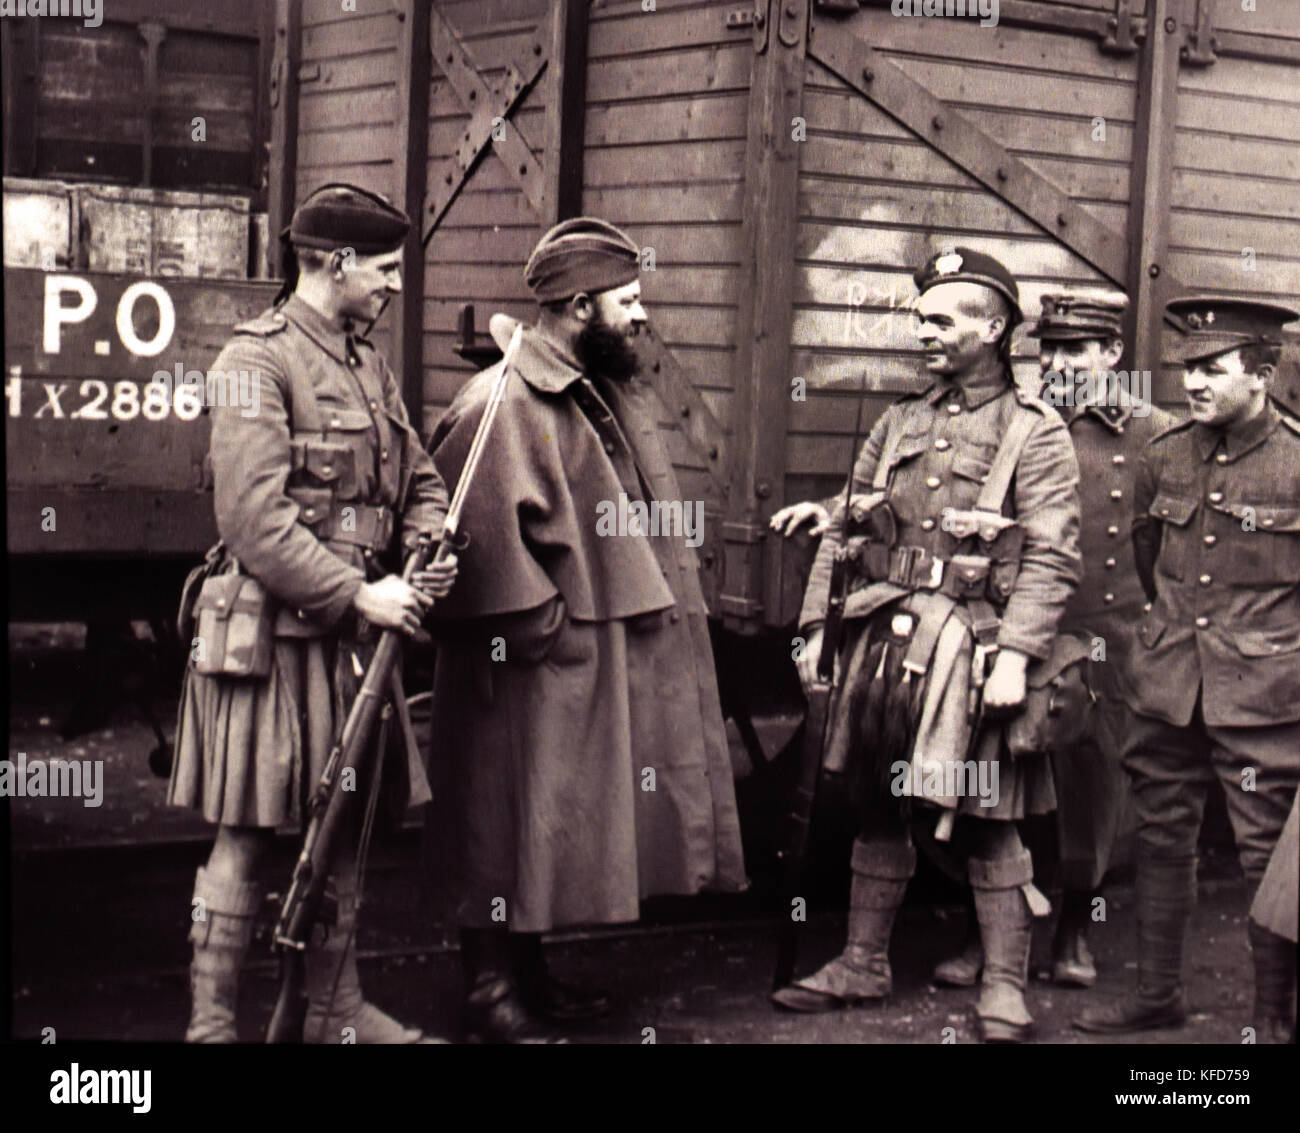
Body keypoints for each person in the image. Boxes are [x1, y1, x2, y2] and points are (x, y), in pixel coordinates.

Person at [425, 217, 747, 1043]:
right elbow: (471, 544)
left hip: (559, 657)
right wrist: (547, 631)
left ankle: (526, 973)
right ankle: (489, 989)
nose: (640, 317)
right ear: (576, 307)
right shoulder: (499, 400)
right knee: (498, 814)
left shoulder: (579, 386)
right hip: (520, 660)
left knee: (543, 819)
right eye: (627, 301)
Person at [770, 247, 1082, 1044]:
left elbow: (1051, 554)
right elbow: (846, 531)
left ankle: (1005, 984)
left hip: (974, 646)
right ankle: (863, 961)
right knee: (879, 797)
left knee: (986, 809)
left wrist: (1015, 656)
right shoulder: (900, 419)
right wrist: (817, 628)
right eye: (921, 318)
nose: (923, 332)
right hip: (888, 634)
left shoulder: (1033, 432)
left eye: (942, 320)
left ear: (995, 327)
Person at [169, 184, 457, 1044]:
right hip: (272, 636)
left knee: (342, 828)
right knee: (249, 838)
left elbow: (420, 479)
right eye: (387, 269)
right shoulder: (254, 362)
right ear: (337, 264)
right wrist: (359, 593)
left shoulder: (367, 363)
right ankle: (213, 1029)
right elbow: (254, 522)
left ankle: (335, 1013)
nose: (397, 286)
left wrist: (427, 540)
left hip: (350, 642)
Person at [926, 291, 1178, 991]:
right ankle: (984, 932)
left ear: (1112, 355)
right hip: (1022, 635)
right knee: (996, 784)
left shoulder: (1156, 436)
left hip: (1108, 642)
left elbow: (1168, 542)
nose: (1060, 364)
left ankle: (1074, 931)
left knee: (1092, 794)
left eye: (1076, 350)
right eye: (1051, 350)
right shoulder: (1020, 424)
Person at [1076, 297, 1300, 1043]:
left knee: (1267, 851)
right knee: (1161, 835)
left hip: (1264, 693)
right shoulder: (1163, 454)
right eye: (1187, 368)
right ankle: (1156, 994)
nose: (1192, 382)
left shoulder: (1298, 461)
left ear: (1263, 373)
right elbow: (1151, 559)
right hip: (1168, 682)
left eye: (1211, 369)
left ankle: (1271, 1014)